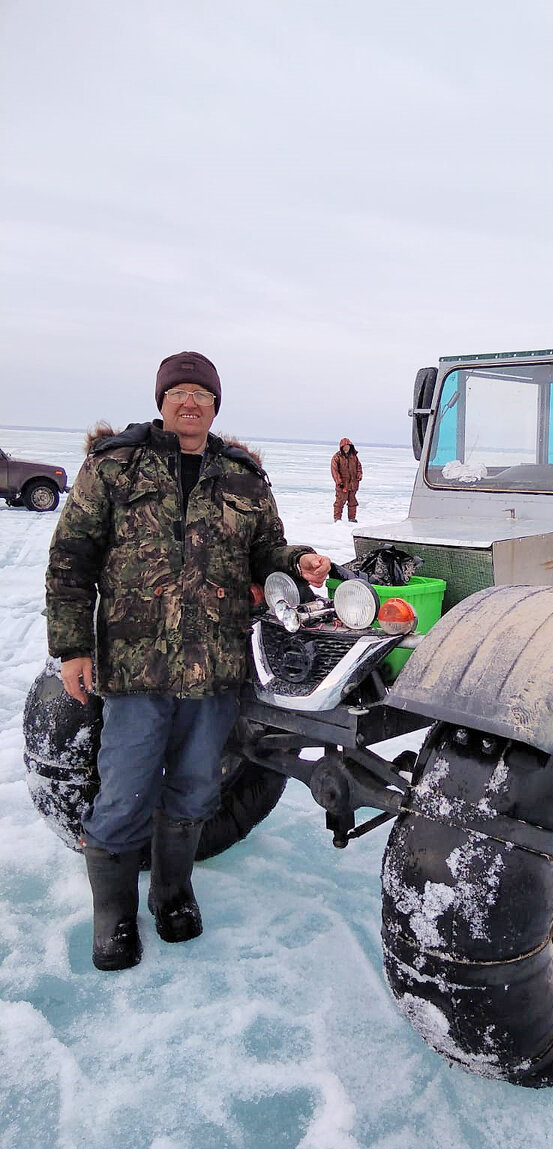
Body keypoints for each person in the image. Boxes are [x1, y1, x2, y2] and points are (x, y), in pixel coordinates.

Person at [45, 351, 330, 972]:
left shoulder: (243, 476)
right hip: (134, 665)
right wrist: (71, 648)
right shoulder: (114, 466)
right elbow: (71, 560)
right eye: (178, 393)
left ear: (215, 405)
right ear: (161, 402)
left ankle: (172, 893)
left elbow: (267, 552)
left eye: (201, 393)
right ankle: (113, 916)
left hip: (214, 669)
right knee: (123, 794)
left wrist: (297, 561)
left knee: (198, 788)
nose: (190, 402)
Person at [331, 437, 363, 522]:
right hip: (342, 485)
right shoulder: (337, 457)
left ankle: (352, 518)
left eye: (347, 446)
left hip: (353, 484)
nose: (346, 448)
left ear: (350, 446)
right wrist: (339, 482)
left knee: (352, 502)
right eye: (344, 446)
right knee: (340, 502)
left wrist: (359, 475)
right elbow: (334, 471)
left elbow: (359, 467)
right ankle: (337, 518)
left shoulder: (354, 457)